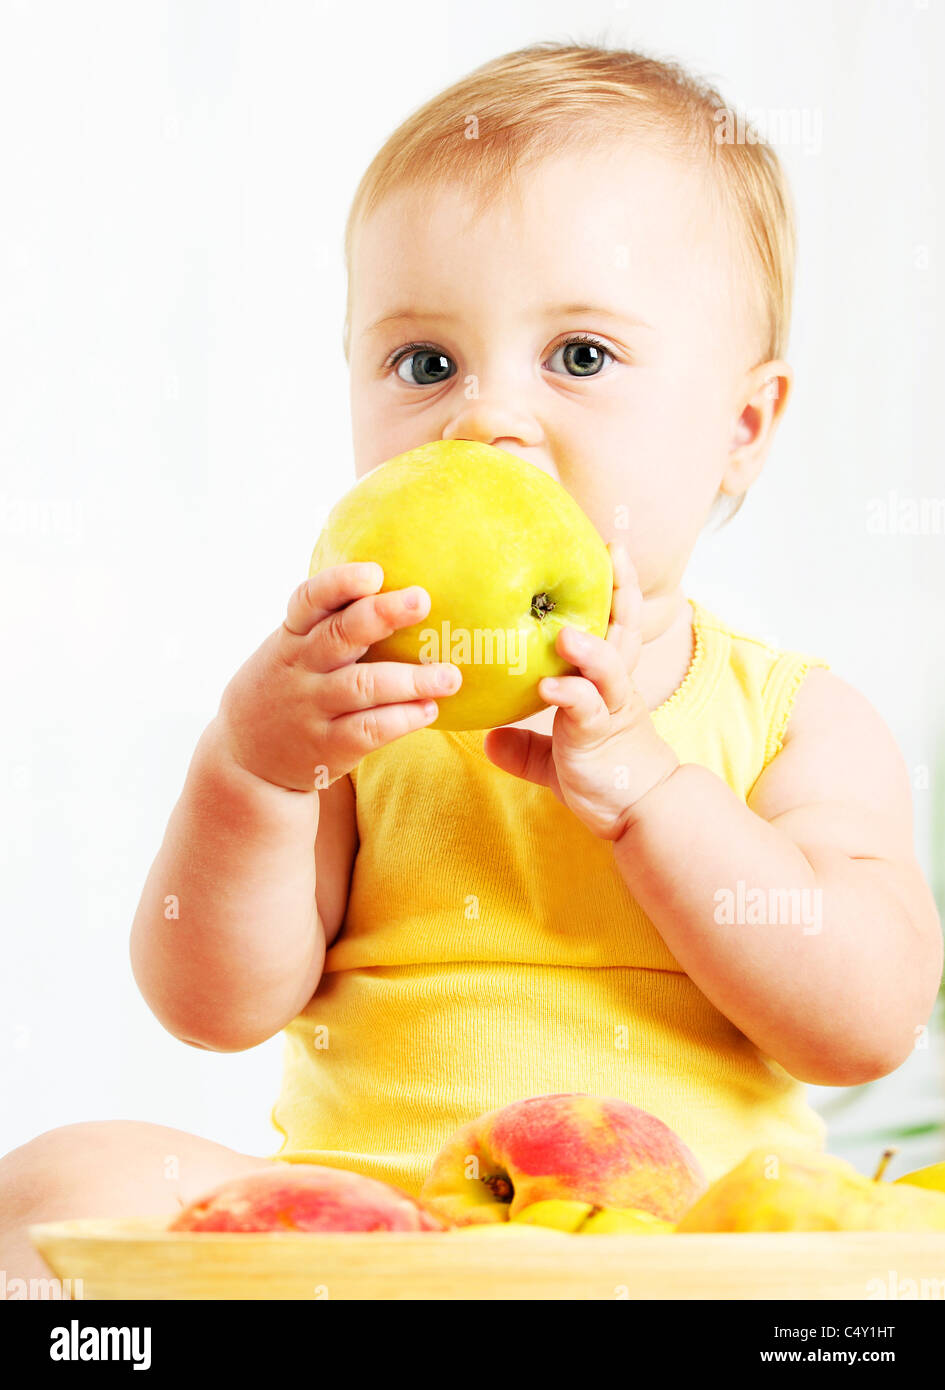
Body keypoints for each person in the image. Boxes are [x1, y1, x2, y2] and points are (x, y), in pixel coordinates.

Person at [3, 41, 940, 1283]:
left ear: (742, 428)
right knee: (62, 1180)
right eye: (426, 363)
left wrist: (650, 791)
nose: (484, 420)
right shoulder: (356, 716)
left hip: (675, 1247)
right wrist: (257, 771)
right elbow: (212, 1005)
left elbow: (866, 1021)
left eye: (582, 356)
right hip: (390, 1239)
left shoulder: (791, 719)